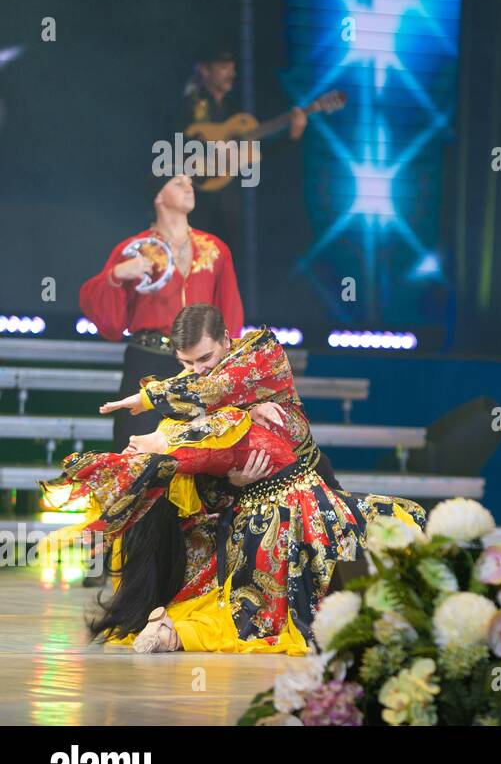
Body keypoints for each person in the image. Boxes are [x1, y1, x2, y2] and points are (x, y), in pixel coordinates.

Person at [44, 406, 425, 655]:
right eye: (193, 362)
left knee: (255, 601)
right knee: (263, 608)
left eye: (206, 360)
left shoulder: (230, 415)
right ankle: (170, 631)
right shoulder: (200, 436)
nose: (202, 370)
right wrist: (235, 486)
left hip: (289, 505)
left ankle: (169, 630)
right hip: (267, 521)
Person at [97, 303, 341, 491]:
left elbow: (215, 389)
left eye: (205, 358)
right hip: (244, 495)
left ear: (225, 338)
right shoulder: (189, 380)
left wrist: (146, 398)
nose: (198, 369)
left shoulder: (261, 351)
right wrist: (233, 481)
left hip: (305, 477)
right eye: (186, 361)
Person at [79, 173, 244, 449]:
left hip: (199, 368)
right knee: (138, 451)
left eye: (190, 182)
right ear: (158, 195)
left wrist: (224, 366)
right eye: (178, 183)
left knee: (198, 449)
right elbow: (106, 319)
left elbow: (230, 315)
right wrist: (118, 274)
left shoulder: (215, 249)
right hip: (148, 362)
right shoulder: (134, 250)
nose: (189, 186)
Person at [180, 44, 306, 264]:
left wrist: (291, 136)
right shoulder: (187, 105)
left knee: (223, 262)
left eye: (232, 67)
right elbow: (176, 141)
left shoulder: (234, 111)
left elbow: (255, 154)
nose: (231, 72)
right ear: (204, 70)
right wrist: (210, 149)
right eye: (223, 66)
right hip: (193, 199)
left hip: (226, 205)